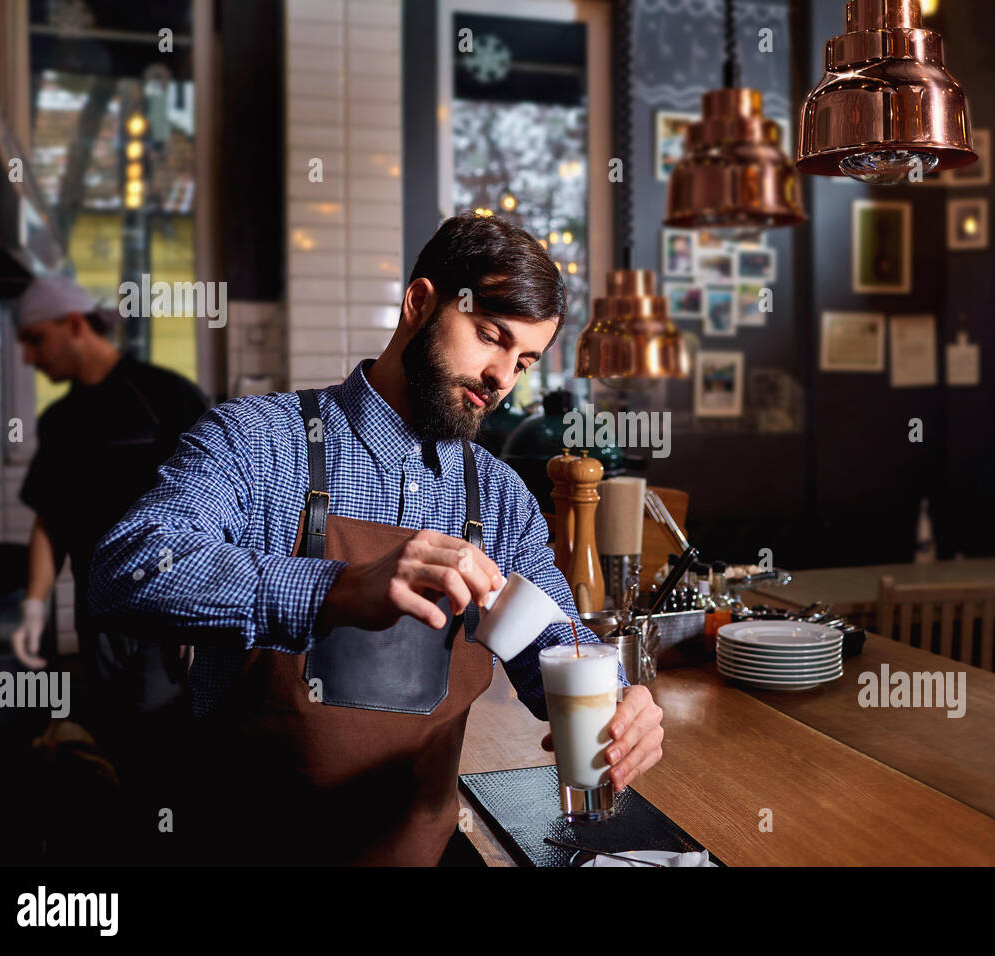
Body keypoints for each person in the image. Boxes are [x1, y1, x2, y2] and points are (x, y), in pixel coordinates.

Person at [88, 214, 666, 866]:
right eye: (489, 337)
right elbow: (126, 569)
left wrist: (619, 704)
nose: (502, 376)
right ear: (419, 304)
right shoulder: (255, 440)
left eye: (524, 360)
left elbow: (558, 650)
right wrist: (335, 587)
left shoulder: (501, 500)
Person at [11, 274, 209, 860]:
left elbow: (219, 511)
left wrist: (202, 617)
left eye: (34, 339)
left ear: (75, 325)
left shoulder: (166, 396)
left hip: (163, 627)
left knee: (167, 759)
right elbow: (48, 520)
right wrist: (32, 605)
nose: (27, 355)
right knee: (117, 751)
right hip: (96, 623)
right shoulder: (59, 422)